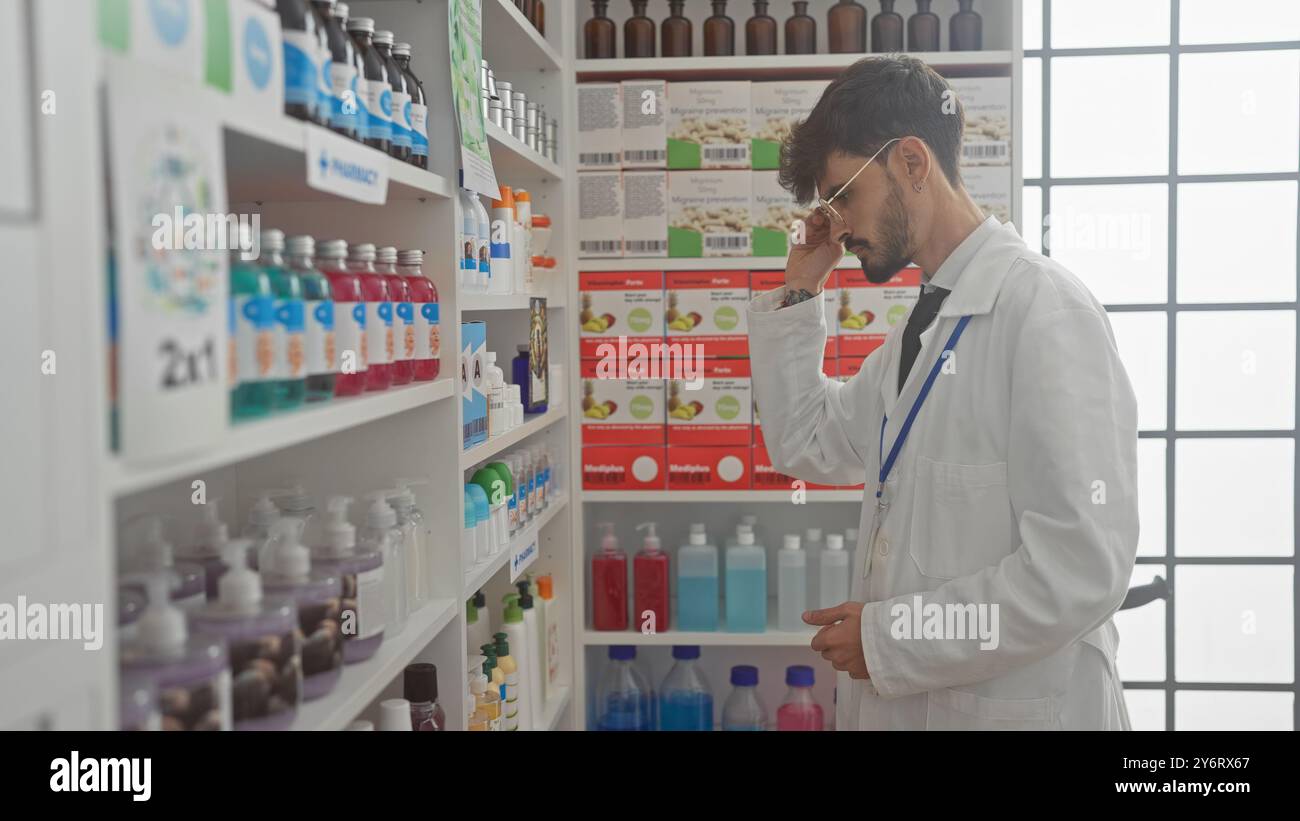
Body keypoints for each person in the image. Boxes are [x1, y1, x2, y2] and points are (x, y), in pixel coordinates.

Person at [748, 56, 1139, 730]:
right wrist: (802, 285)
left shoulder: (1045, 312)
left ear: (912, 164)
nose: (836, 223)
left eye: (844, 194)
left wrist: (890, 639)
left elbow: (1081, 568)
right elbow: (806, 440)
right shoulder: (923, 331)